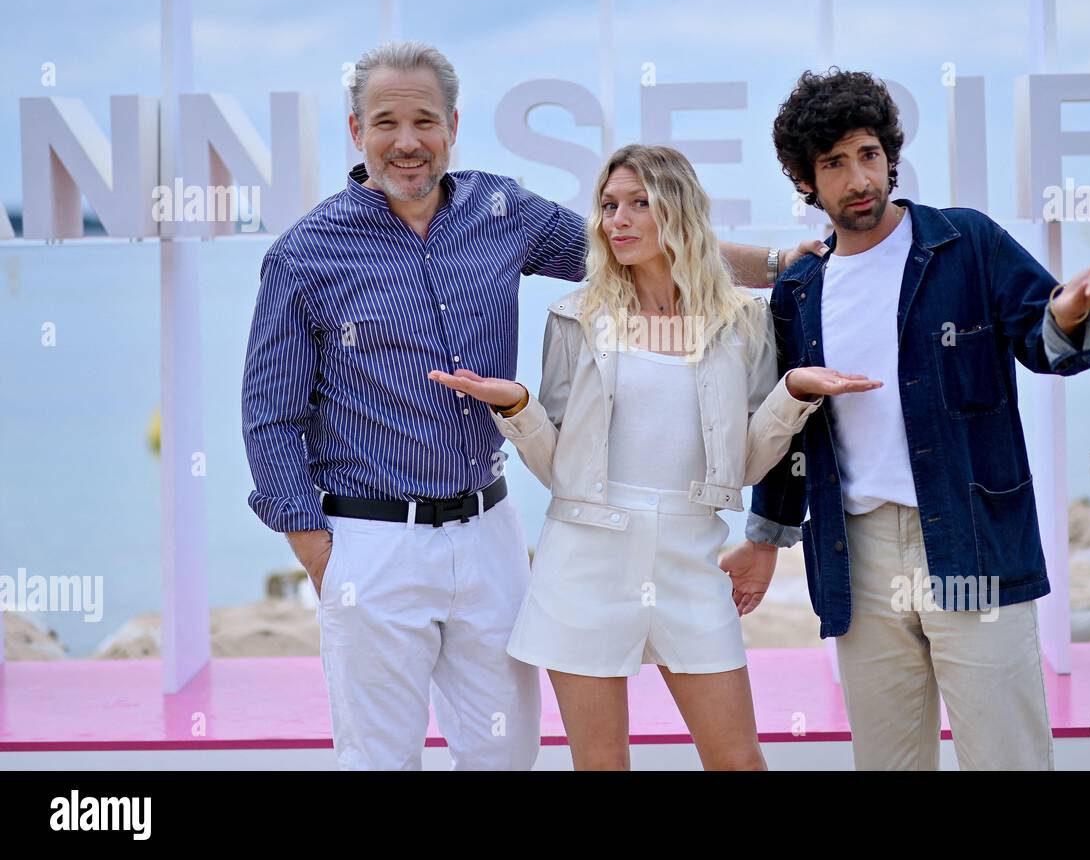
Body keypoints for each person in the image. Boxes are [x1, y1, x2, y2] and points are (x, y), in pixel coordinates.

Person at [241, 41, 826, 771]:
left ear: (452, 125)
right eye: (385, 122)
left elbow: (632, 244)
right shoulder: (305, 254)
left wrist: (776, 266)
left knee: (503, 753)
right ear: (356, 133)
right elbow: (269, 415)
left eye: (424, 120)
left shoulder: (500, 210)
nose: (407, 142)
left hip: (490, 534)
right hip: (371, 538)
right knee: (381, 759)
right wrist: (317, 549)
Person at [724, 68, 1090, 770]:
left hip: (970, 535)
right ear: (805, 181)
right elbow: (791, 429)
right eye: (834, 163)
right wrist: (764, 537)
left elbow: (1042, 337)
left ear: (890, 154)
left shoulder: (966, 245)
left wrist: (1067, 312)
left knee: (1007, 754)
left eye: (869, 154)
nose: (858, 178)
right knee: (889, 761)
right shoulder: (798, 291)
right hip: (858, 552)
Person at [431, 144, 876, 770]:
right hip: (585, 558)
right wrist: (517, 408)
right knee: (603, 763)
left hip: (691, 559)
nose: (620, 219)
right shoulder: (573, 318)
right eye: (609, 205)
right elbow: (565, 472)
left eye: (640, 203)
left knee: (738, 760)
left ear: (681, 211)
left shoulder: (743, 320)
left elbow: (744, 468)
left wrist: (794, 392)